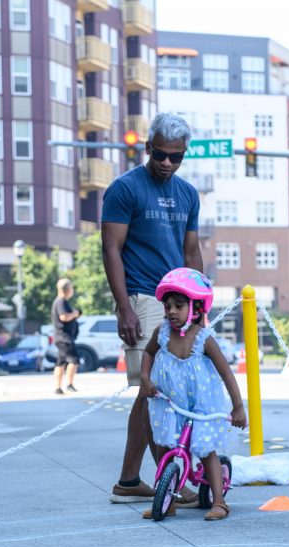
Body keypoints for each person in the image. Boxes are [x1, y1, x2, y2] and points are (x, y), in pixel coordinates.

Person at [101, 112, 203, 506]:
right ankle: (170, 482)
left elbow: (191, 252)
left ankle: (129, 481)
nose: (166, 163)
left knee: (156, 395)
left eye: (175, 157)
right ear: (148, 148)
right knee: (153, 391)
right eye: (160, 154)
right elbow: (111, 249)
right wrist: (123, 307)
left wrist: (200, 306)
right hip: (143, 299)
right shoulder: (124, 189)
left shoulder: (189, 194)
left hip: (179, 304)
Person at [140, 268, 246, 520]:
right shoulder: (162, 333)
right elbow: (148, 353)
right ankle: (168, 500)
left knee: (205, 449)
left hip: (201, 406)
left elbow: (226, 373)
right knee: (164, 446)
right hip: (170, 403)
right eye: (167, 307)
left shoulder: (204, 339)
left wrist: (238, 406)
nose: (171, 312)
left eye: (178, 306)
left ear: (196, 307)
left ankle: (219, 502)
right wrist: (145, 379)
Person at [51, 278, 81, 394]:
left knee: (61, 362)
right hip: (65, 338)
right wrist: (75, 313)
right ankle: (69, 384)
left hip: (61, 337)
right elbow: (63, 317)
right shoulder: (61, 301)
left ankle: (57, 387)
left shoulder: (60, 301)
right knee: (74, 360)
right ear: (68, 289)